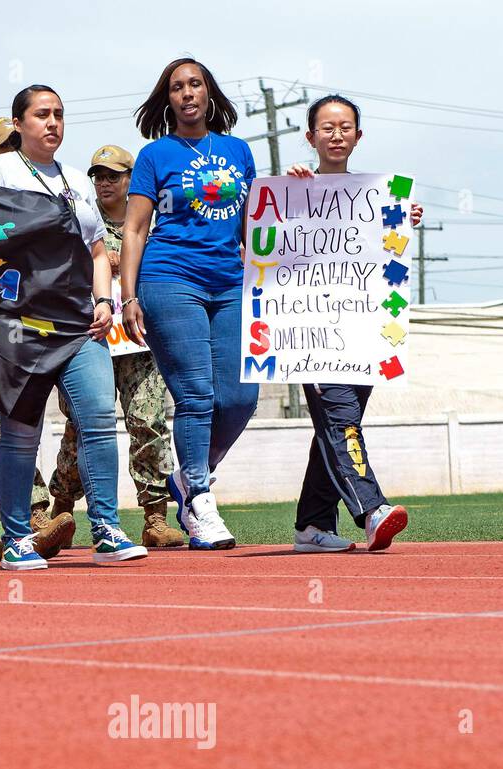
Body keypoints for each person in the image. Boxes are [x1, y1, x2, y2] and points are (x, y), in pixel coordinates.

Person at [0, 85, 146, 569]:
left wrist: (103, 300)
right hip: (20, 325)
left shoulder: (74, 180)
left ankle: (108, 530)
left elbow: (96, 249)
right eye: (41, 115)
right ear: (19, 124)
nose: (52, 123)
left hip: (78, 324)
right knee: (21, 431)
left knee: (96, 419)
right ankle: (16, 538)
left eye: (59, 115)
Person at [120, 58, 257, 550]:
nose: (186, 93)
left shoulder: (239, 151)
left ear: (209, 92)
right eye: (176, 88)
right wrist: (128, 294)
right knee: (197, 396)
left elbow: (254, 227)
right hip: (169, 278)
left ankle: (188, 475)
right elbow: (134, 228)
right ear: (168, 100)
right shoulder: (155, 155)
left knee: (242, 398)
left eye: (194, 84)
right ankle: (199, 498)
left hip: (230, 283)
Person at [285, 95, 415, 553]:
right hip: (310, 331)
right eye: (326, 127)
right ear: (310, 137)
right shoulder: (290, 191)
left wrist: (403, 220)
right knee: (341, 418)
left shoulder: (377, 195)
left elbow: (390, 255)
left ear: (358, 136)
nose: (336, 135)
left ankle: (312, 525)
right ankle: (371, 509)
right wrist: (290, 191)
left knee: (339, 423)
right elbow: (261, 239)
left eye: (345, 127)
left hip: (364, 329)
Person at [48, 145, 184, 549]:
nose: (104, 183)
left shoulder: (153, 224)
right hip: (93, 337)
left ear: (131, 180)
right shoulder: (81, 220)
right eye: (98, 176)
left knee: (149, 422)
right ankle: (61, 508)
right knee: (82, 429)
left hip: (141, 341)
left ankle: (155, 517)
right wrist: (106, 258)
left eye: (114, 176)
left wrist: (122, 257)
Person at [0, 127, 73, 562]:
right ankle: (11, 518)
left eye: (14, 148)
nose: (10, 158)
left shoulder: (44, 199)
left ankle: (4, 521)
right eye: (1, 150)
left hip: (30, 331)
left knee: (14, 427)